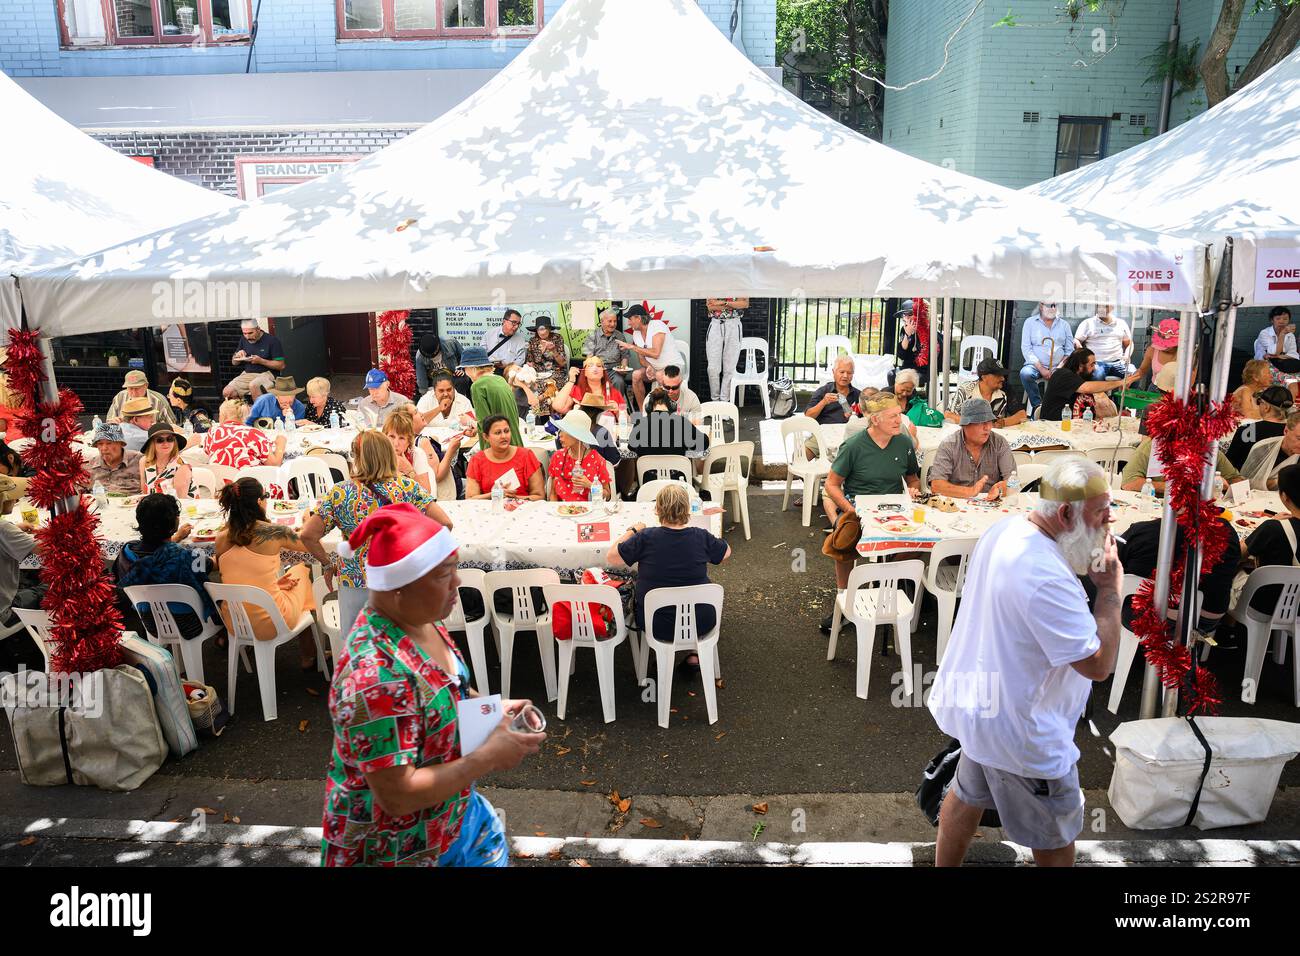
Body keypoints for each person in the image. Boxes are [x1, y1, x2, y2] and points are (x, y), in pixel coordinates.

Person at [321, 503, 544, 867]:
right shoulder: (374, 677)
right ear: (398, 587)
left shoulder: (421, 618)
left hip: (454, 820)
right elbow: (398, 796)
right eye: (443, 575)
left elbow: (444, 686)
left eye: (455, 568)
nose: (458, 583)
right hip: (400, 851)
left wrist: (493, 710)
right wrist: (488, 756)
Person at [930, 458, 1120, 867]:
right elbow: (1097, 665)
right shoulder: (1046, 575)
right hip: (1025, 733)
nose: (1110, 521)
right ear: (1066, 514)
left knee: (965, 798)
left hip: (985, 710)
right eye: (1102, 512)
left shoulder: (1007, 529)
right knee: (1054, 838)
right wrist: (1109, 591)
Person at [301, 431, 454, 633]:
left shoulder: (341, 492)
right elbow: (445, 523)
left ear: (357, 458)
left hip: (355, 581)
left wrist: (328, 565)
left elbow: (307, 535)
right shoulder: (407, 488)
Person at [820, 394, 920, 631]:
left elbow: (913, 479)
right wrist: (850, 510)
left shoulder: (903, 443)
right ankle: (844, 600)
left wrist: (914, 490)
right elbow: (831, 485)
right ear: (875, 419)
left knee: (919, 541)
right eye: (893, 416)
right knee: (843, 540)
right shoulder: (854, 446)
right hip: (858, 507)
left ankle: (885, 583)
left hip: (896, 510)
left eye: (899, 415)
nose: (899, 421)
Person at [606, 483, 730, 670]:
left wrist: (633, 530)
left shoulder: (645, 537)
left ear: (657, 510)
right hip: (701, 621)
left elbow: (612, 557)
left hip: (657, 622)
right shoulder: (700, 536)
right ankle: (695, 652)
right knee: (695, 586)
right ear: (687, 510)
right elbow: (726, 552)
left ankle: (661, 655)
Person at [213, 478, 318, 667]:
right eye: (266, 496)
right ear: (259, 502)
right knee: (301, 571)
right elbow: (309, 543)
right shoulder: (274, 532)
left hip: (235, 623)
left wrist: (275, 585)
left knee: (287, 581)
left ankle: (307, 654)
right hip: (272, 622)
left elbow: (235, 575)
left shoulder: (220, 538)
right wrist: (307, 521)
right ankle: (308, 655)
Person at [115, 493, 217, 641]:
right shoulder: (185, 558)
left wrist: (176, 538)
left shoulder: (127, 553)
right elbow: (213, 564)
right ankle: (223, 638)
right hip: (190, 625)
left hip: (151, 625)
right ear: (174, 523)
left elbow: (156, 551)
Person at [1239, 464, 1300, 617]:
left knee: (1229, 573)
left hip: (1265, 607)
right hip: (1297, 610)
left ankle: (1224, 627)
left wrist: (1271, 523)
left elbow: (1237, 554)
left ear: (1284, 496)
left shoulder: (1273, 528)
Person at [928, 399, 1015, 500]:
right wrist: (970, 491)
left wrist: (1000, 489)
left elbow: (1013, 481)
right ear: (965, 425)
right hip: (957, 504)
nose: (987, 428)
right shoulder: (949, 445)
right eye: (981, 422)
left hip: (992, 502)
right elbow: (936, 486)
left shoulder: (999, 443)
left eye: (990, 422)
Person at [1121, 434, 1245, 494]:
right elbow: (1129, 483)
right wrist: (1177, 487)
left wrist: (1223, 484)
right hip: (1158, 508)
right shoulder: (1153, 445)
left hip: (1199, 511)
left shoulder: (1208, 448)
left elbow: (1237, 480)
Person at [1040, 348, 1140, 423]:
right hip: (1056, 428)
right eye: (1092, 365)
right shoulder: (1062, 375)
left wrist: (1118, 414)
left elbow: (1094, 405)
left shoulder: (1083, 378)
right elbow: (1087, 388)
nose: (1095, 368)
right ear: (1080, 366)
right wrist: (1121, 382)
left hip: (1079, 429)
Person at [385, 405, 460, 501]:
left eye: (402, 438)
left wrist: (409, 470)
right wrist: (451, 450)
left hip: (425, 502)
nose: (396, 443)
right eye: (391, 436)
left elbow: (426, 493)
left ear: (409, 441)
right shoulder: (378, 454)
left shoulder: (417, 453)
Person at [627, 390, 709, 476]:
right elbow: (704, 444)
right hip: (677, 479)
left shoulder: (640, 423)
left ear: (649, 407)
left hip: (648, 479)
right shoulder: (681, 422)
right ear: (671, 406)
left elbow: (631, 446)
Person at [464, 415, 544, 501]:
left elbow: (539, 496)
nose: (504, 436)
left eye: (506, 431)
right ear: (486, 437)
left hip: (523, 507)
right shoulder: (477, 460)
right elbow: (470, 498)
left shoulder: (526, 455)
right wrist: (495, 494)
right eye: (498, 433)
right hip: (490, 508)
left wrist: (514, 498)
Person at [619, 304, 684, 409]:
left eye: (630, 319)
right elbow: (641, 359)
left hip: (674, 366)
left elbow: (655, 353)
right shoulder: (636, 334)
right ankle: (643, 412)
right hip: (655, 369)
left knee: (659, 375)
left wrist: (632, 347)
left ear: (638, 318)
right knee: (636, 375)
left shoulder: (657, 325)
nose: (628, 323)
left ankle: (668, 410)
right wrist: (649, 366)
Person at [0, 476, 44, 627]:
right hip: (4, 613)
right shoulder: (4, 529)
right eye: (13, 497)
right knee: (56, 587)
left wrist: (14, 529)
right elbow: (46, 550)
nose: (16, 500)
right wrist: (52, 533)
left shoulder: (5, 528)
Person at [459, 347, 522, 449]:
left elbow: (485, 424)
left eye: (465, 368)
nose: (465, 373)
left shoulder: (478, 386)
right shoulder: (500, 380)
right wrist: (477, 428)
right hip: (514, 442)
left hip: (499, 448)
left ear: (473, 368)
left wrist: (470, 422)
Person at [548, 411, 613, 502]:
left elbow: (607, 494)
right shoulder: (558, 456)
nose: (560, 435)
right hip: (562, 508)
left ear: (577, 435)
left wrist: (590, 485)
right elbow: (553, 493)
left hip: (587, 509)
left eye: (564, 431)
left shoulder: (596, 459)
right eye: (560, 430)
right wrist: (554, 508)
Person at [204, 398, 287, 469]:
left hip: (220, 481)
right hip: (250, 482)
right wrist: (280, 445)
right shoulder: (254, 433)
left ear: (223, 415)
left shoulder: (212, 432)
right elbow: (274, 464)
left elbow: (208, 453)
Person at [1019, 302, 1073, 412]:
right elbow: (1026, 349)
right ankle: (1038, 407)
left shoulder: (1064, 325)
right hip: (1036, 366)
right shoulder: (1030, 323)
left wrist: (1058, 368)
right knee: (1025, 374)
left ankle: (1057, 410)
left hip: (1059, 366)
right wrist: (1041, 369)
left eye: (1054, 305)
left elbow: (1069, 351)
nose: (1052, 308)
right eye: (1049, 305)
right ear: (1041, 306)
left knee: (1070, 377)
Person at [943, 358, 1027, 427]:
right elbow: (948, 414)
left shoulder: (1005, 389)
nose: (1002, 378)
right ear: (984, 377)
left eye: (1003, 375)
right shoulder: (966, 389)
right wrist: (974, 423)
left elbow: (1022, 414)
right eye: (998, 375)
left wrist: (1003, 423)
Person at [1226, 385, 1292, 468]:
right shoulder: (1292, 432)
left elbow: (1229, 462)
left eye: (1259, 402)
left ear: (1266, 408)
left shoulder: (1248, 431)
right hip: (1282, 475)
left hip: (1246, 475)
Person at [224, 318, 286, 400]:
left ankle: (258, 408)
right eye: (244, 333)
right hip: (248, 374)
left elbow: (281, 365)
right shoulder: (243, 339)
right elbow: (234, 363)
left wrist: (261, 361)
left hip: (268, 374)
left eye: (250, 333)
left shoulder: (272, 341)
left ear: (258, 329)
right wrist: (237, 356)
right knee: (227, 392)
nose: (247, 337)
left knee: (254, 385)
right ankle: (242, 407)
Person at [552, 355, 627, 418]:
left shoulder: (614, 393)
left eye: (599, 366)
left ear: (603, 372)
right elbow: (558, 407)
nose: (595, 368)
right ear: (584, 372)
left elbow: (627, 421)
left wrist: (618, 412)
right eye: (590, 365)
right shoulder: (577, 390)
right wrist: (571, 381)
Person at [1240, 412, 1300, 491]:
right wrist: (1279, 481)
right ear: (1286, 431)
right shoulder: (1262, 449)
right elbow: (1244, 483)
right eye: (1299, 438)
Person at [523, 316, 568, 419]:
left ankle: (555, 416)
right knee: (536, 385)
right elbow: (530, 362)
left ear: (549, 329)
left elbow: (562, 363)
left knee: (550, 384)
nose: (543, 332)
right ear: (536, 330)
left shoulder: (557, 338)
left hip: (556, 371)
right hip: (538, 373)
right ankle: (540, 418)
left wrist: (553, 350)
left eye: (545, 329)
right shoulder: (533, 341)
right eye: (540, 329)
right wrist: (539, 354)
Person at [1073, 305, 1133, 380]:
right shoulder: (1088, 323)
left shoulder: (1121, 323)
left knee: (1133, 375)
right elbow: (1077, 340)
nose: (1101, 309)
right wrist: (1084, 357)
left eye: (1105, 306)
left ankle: (1122, 388)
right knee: (1096, 376)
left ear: (1112, 307)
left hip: (1118, 362)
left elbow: (1129, 344)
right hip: (1096, 363)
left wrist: (1127, 356)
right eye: (1099, 306)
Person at [82, 422, 142, 495]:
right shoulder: (89, 466)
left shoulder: (139, 461)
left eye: (109, 443)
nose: (104, 448)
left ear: (121, 444)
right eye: (100, 444)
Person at [583, 308, 630, 396]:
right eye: (610, 321)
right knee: (593, 382)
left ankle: (617, 403)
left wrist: (623, 368)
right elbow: (589, 358)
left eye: (615, 321)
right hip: (598, 368)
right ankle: (598, 403)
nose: (613, 324)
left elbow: (625, 356)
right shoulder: (592, 335)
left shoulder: (620, 336)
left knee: (619, 381)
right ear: (602, 321)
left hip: (615, 370)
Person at [705, 298, 745, 402]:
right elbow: (710, 306)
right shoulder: (713, 287)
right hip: (715, 323)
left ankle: (724, 401)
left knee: (729, 367)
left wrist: (722, 303)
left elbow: (744, 304)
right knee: (713, 368)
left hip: (734, 324)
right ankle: (715, 400)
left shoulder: (739, 287)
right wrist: (733, 305)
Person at [107, 369, 177, 427]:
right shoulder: (119, 397)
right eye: (130, 388)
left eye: (137, 388)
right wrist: (113, 422)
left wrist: (156, 427)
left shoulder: (159, 401)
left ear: (146, 385)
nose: (134, 393)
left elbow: (172, 426)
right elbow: (109, 422)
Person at [139, 423, 193, 498]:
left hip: (181, 505)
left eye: (170, 439)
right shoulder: (144, 462)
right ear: (152, 444)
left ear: (174, 442)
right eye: (160, 440)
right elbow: (144, 493)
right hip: (151, 504)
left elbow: (180, 501)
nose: (165, 443)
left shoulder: (182, 467)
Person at [805, 356, 856, 426]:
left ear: (853, 374)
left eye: (849, 373)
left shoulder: (859, 395)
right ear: (834, 372)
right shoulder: (822, 391)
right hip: (825, 430)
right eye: (842, 372)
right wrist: (823, 402)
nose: (845, 376)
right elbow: (808, 416)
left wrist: (854, 415)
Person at [415, 330, 463, 400]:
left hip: (454, 376)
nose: (433, 357)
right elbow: (421, 378)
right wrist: (424, 396)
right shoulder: (420, 356)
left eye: (434, 353)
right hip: (435, 381)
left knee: (462, 379)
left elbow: (464, 357)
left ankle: (459, 400)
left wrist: (462, 370)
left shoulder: (450, 342)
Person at [1134, 315, 1180, 386]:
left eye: (1167, 344)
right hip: (1155, 388)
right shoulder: (1152, 350)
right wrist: (1128, 380)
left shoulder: (1187, 355)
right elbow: (1142, 370)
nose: (1163, 347)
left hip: (1176, 390)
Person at [892, 299, 927, 387]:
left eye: (910, 314)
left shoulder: (926, 329)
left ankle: (909, 394)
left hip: (923, 369)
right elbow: (901, 355)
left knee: (907, 380)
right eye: (904, 314)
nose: (907, 317)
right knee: (891, 375)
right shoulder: (904, 329)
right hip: (907, 368)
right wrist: (907, 334)